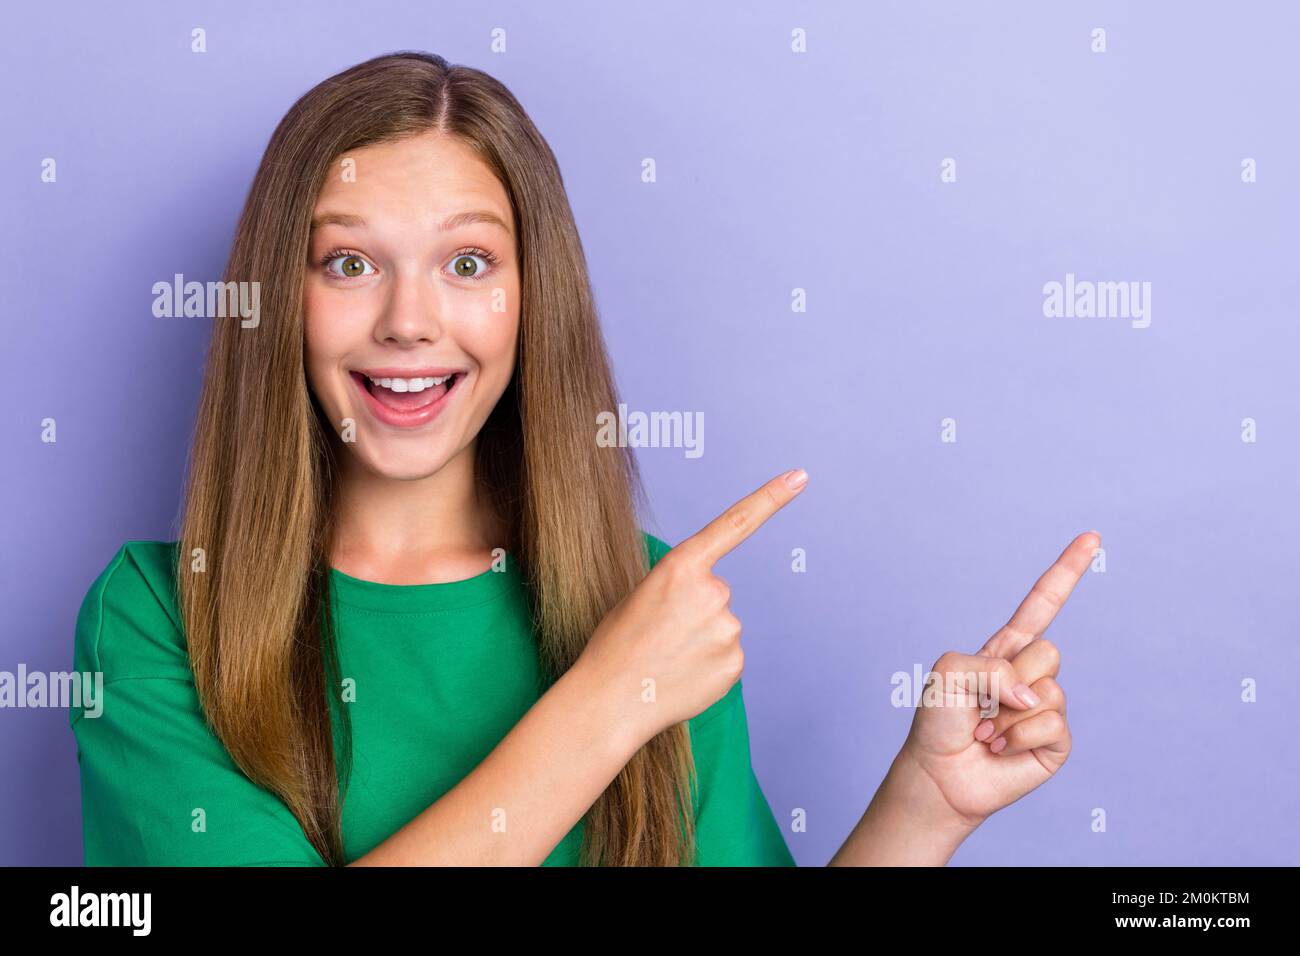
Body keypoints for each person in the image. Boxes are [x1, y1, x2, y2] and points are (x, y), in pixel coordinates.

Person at [71, 51, 1095, 867]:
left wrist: (925, 805)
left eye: (466, 262)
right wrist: (613, 698)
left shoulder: (650, 599)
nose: (409, 320)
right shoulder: (158, 615)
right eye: (349, 262)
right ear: (276, 301)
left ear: (532, 300)